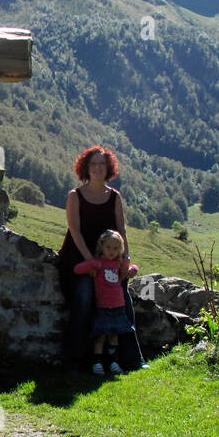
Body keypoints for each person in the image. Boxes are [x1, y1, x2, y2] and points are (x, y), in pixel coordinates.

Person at [57, 145, 148, 371]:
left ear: (108, 168)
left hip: (109, 261)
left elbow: (121, 230)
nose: (97, 168)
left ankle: (132, 359)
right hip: (79, 261)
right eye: (93, 164)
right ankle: (77, 359)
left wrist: (125, 258)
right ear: (85, 168)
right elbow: (75, 231)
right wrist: (91, 263)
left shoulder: (114, 197)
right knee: (85, 297)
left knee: (124, 301)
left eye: (102, 164)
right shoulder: (75, 196)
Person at [74, 230, 139, 375]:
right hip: (103, 307)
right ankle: (97, 364)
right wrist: (91, 265)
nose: (111, 251)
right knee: (101, 336)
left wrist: (133, 269)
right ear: (102, 246)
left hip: (118, 307)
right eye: (108, 247)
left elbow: (131, 268)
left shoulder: (118, 264)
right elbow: (77, 269)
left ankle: (113, 363)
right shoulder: (99, 263)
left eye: (116, 248)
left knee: (114, 337)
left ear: (120, 249)